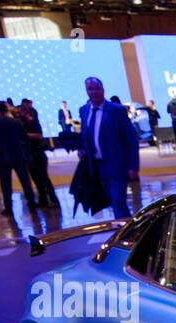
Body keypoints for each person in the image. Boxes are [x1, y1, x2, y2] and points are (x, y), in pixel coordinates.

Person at [79, 76, 140, 218]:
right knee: (113, 203)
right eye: (90, 89)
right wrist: (83, 149)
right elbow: (85, 134)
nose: (94, 92)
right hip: (96, 167)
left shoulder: (116, 111)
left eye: (97, 88)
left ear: (103, 89)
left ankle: (126, 235)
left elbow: (131, 140)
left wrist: (133, 167)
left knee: (118, 202)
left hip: (117, 166)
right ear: (86, 91)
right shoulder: (84, 110)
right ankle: (127, 229)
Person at [0, 99, 37, 215]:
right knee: (25, 181)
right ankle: (32, 203)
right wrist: (27, 154)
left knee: (5, 184)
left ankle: (8, 207)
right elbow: (25, 139)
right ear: (5, 109)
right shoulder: (15, 122)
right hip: (18, 155)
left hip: (1, 157)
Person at [19, 99, 58, 207]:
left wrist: (24, 135)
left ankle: (53, 199)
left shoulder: (34, 123)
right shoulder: (22, 124)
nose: (20, 114)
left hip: (38, 153)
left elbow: (39, 136)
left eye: (22, 112)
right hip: (29, 154)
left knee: (43, 177)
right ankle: (43, 200)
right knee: (36, 179)